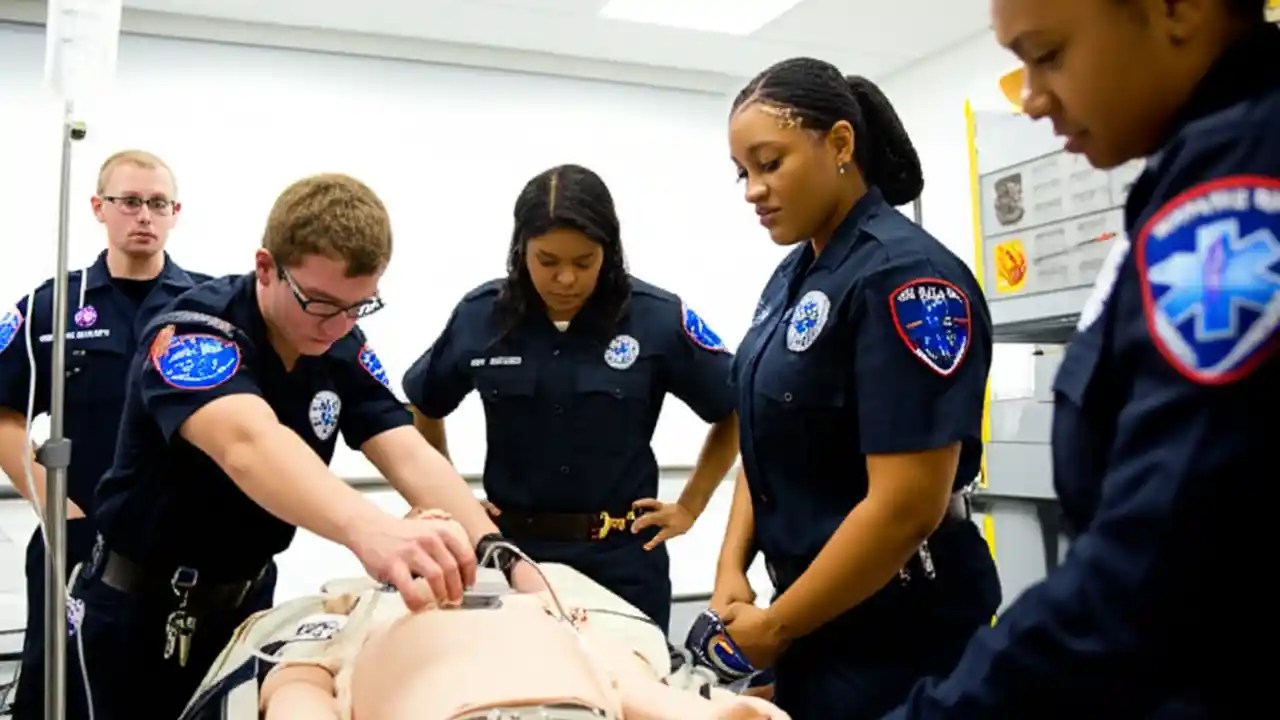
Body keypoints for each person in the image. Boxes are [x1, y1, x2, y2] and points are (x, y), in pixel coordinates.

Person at [882, 1, 1279, 717]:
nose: (1031, 99)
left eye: (1049, 55)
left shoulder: (1241, 183)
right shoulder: (1191, 169)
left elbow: (1158, 564)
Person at [62, 172, 543, 720]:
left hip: (243, 605)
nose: (338, 325)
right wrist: (373, 531)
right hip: (136, 614)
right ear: (266, 267)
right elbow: (249, 443)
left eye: (359, 306)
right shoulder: (196, 334)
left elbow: (404, 447)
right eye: (320, 302)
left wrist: (500, 553)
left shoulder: (338, 343)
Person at [708, 58, 1003, 719]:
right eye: (743, 173)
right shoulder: (792, 278)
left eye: (770, 163)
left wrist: (779, 625)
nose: (754, 190)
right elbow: (768, 444)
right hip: (816, 620)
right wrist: (732, 569)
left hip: (900, 632)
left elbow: (906, 507)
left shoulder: (907, 278)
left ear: (839, 144)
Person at [402, 163, 739, 634]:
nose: (565, 279)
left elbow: (734, 406)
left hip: (622, 560)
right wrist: (454, 501)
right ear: (521, 251)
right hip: (513, 560)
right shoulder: (481, 318)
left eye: (584, 262)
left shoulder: (656, 319)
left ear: (610, 251)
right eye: (547, 261)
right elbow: (425, 403)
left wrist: (691, 506)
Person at [0, 149, 212, 720]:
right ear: (99, 208)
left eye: (158, 203)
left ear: (175, 212)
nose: (145, 215)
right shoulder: (54, 308)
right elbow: (4, 414)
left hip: (179, 552)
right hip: (77, 546)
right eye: (130, 202)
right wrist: (49, 499)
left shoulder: (208, 310)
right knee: (61, 696)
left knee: (173, 699)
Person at [253, 509, 790, 720]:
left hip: (565, 695)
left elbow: (621, 668)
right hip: (441, 705)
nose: (442, 533)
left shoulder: (551, 604)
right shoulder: (361, 606)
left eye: (452, 530)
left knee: (617, 669)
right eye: (423, 526)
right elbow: (298, 679)